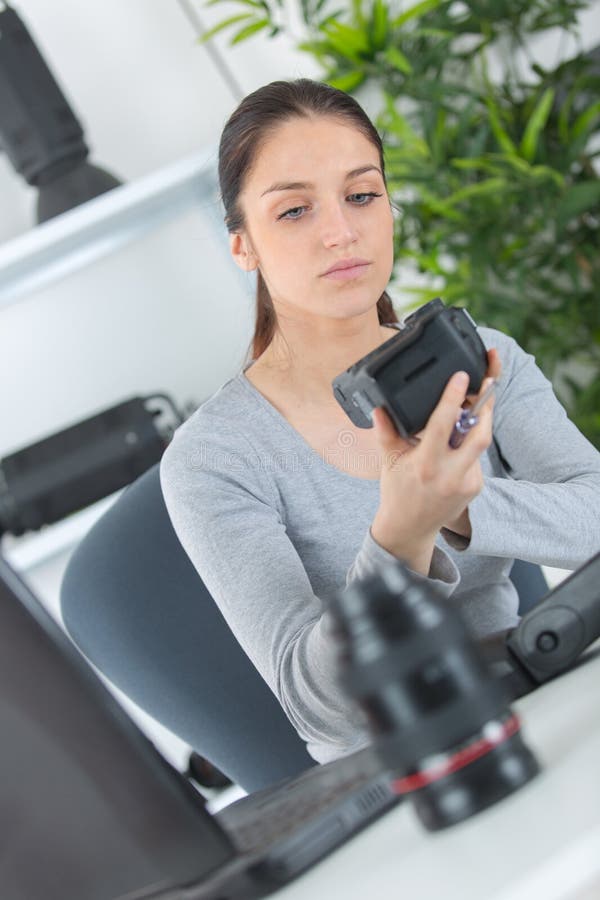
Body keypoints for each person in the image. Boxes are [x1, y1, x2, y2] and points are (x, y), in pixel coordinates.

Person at [160, 79, 600, 764]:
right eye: (295, 211)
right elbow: (315, 701)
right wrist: (401, 534)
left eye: (362, 196)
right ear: (242, 246)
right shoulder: (214, 458)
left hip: (535, 700)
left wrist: (460, 508)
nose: (341, 231)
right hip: (395, 774)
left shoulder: (480, 358)